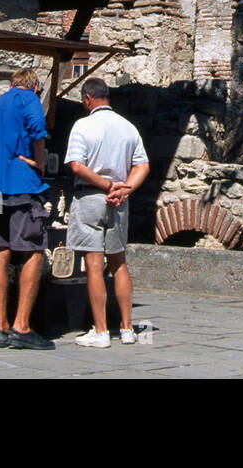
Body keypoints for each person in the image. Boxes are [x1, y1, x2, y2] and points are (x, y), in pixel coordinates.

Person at [65, 77, 149, 348]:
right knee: (118, 262)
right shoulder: (128, 127)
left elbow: (77, 166)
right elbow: (143, 165)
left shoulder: (83, 125)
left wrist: (106, 185)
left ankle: (101, 331)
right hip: (119, 201)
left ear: (88, 98)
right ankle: (127, 328)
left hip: (91, 196)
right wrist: (125, 189)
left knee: (93, 263)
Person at [0, 68, 53, 350]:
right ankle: (21, 326)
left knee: (0, 250)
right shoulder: (29, 99)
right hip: (20, 185)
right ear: (34, 86)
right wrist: (40, 163)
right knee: (33, 249)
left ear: (10, 84)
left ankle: (1, 326)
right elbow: (38, 129)